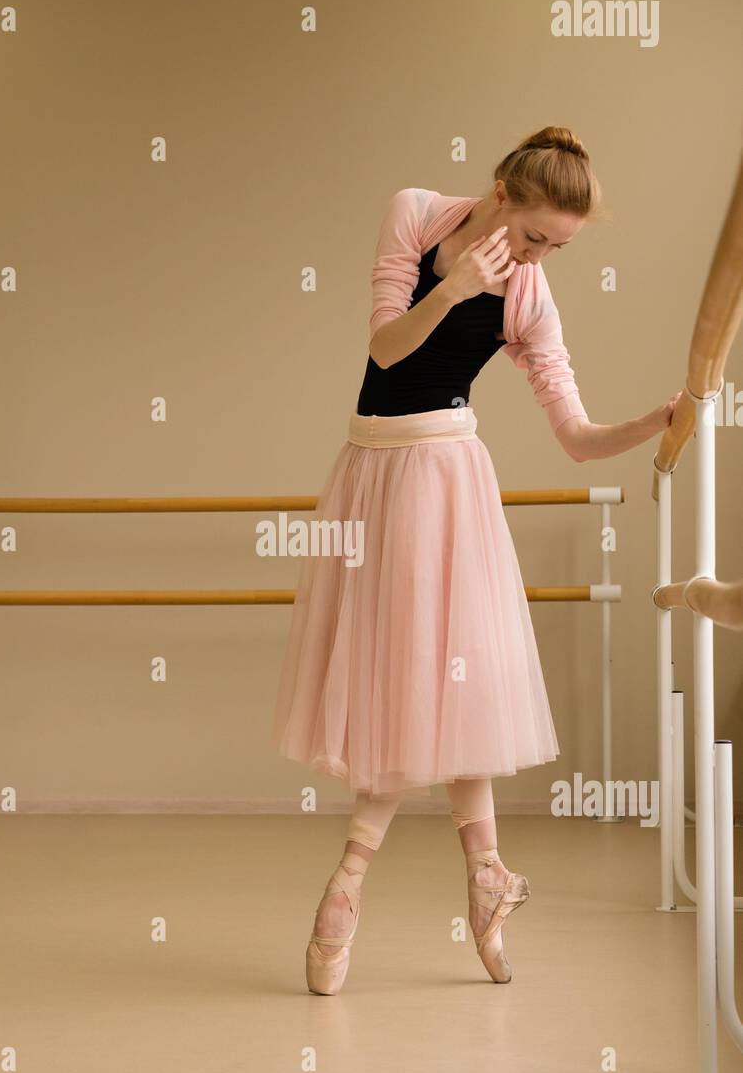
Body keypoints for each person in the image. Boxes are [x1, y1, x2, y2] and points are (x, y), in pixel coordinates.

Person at [271, 126, 681, 995]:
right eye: (535, 238)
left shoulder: (529, 299)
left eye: (558, 248)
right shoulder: (416, 216)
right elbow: (384, 348)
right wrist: (455, 287)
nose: (539, 258)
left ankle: (363, 886)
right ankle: (465, 876)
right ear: (501, 193)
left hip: (446, 475)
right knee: (405, 679)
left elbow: (574, 436)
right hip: (373, 473)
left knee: (446, 680)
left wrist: (651, 422)